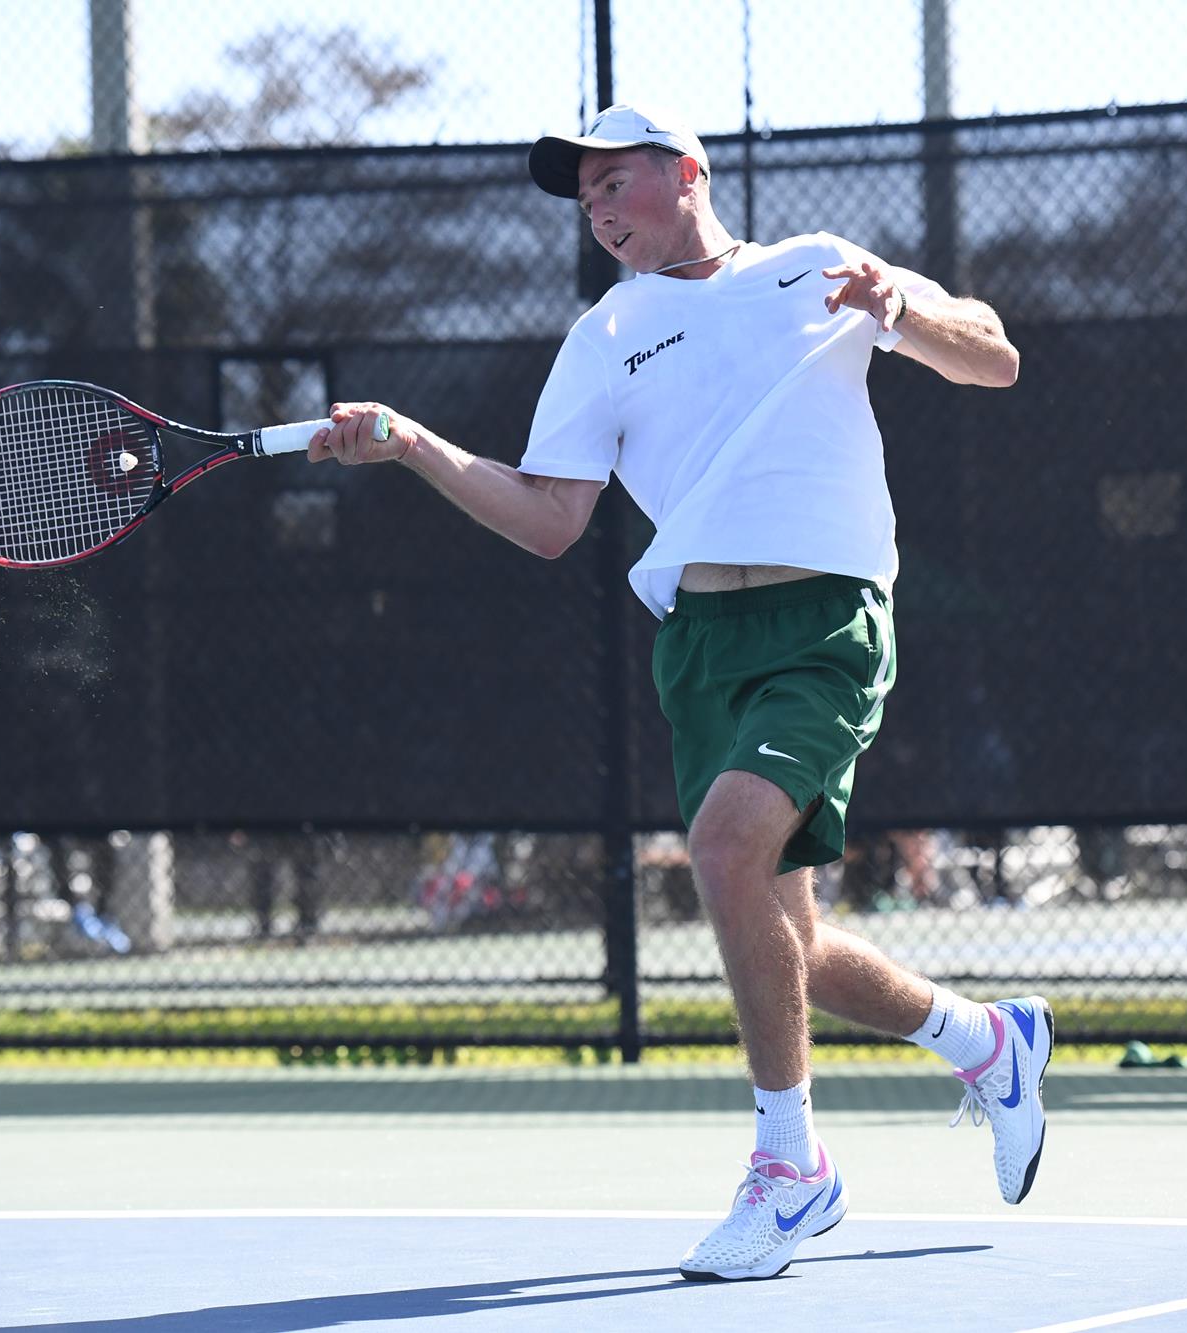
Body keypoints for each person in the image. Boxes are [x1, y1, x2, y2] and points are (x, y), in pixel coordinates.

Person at [308, 104, 1049, 1282]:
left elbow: (993, 355)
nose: (598, 211)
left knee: (719, 854)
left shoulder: (812, 268)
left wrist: (900, 311)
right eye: (584, 199)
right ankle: (986, 1041)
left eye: (615, 183)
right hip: (701, 643)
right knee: (782, 932)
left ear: (687, 172)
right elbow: (550, 520)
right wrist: (409, 444)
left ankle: (790, 1169)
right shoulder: (603, 336)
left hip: (823, 622)